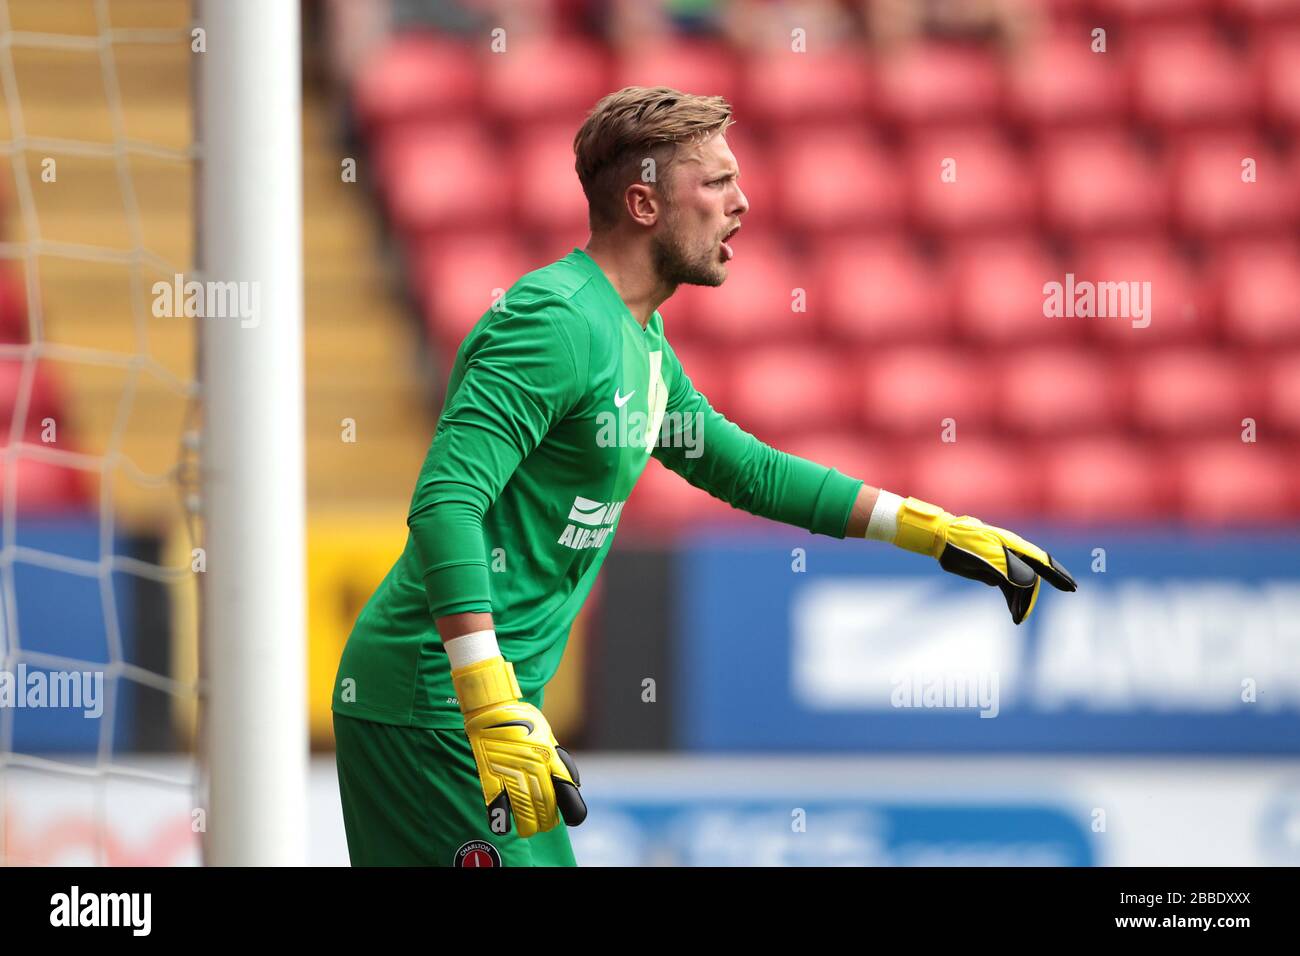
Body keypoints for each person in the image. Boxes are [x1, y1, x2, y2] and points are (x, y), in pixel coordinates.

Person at [331, 85, 1076, 867]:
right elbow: (447, 499)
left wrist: (928, 529)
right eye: (717, 182)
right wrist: (483, 695)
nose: (742, 202)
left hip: (487, 714)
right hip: (435, 706)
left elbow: (745, 470)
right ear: (645, 204)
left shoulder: (639, 340)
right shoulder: (553, 323)